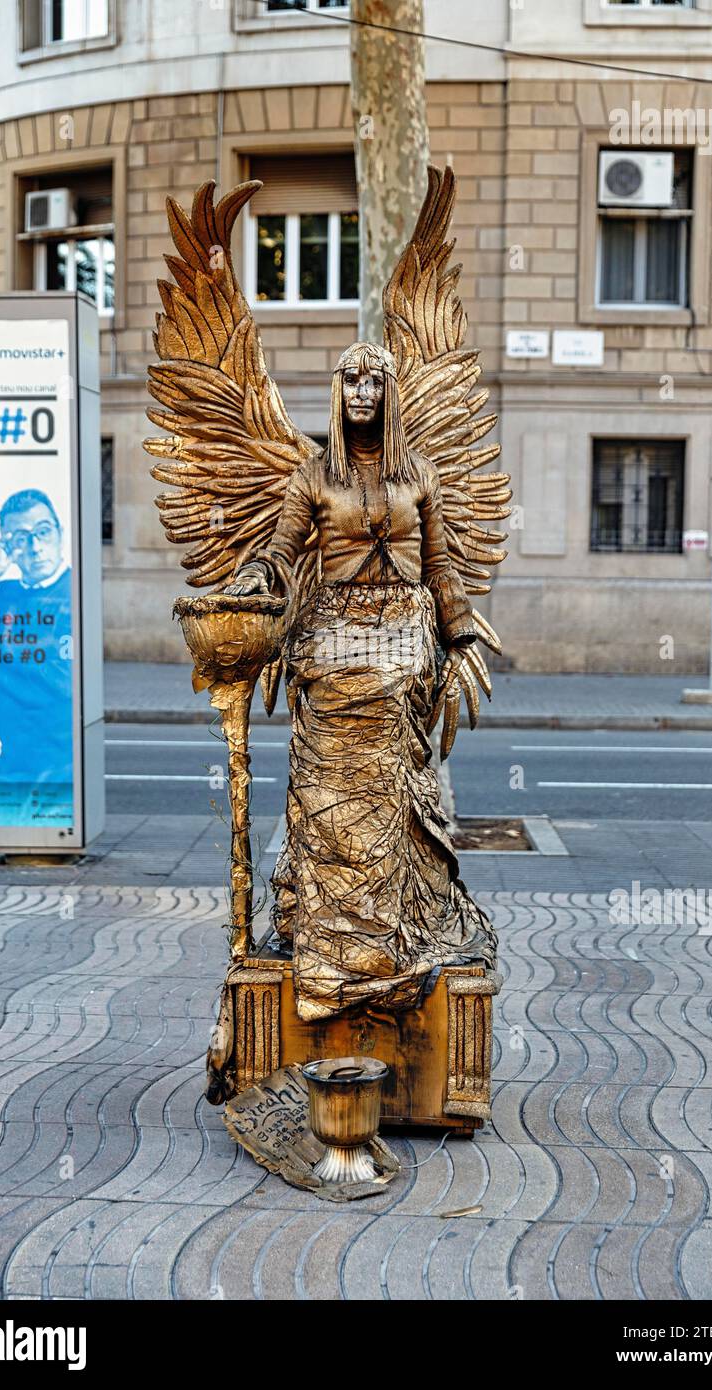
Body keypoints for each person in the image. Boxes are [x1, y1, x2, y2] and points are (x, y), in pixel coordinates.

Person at [225, 342, 497, 1022]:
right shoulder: (314, 476)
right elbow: (284, 549)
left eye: (375, 381)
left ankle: (391, 930)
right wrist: (259, 576)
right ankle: (332, 943)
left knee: (388, 735)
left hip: (403, 627)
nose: (363, 392)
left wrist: (458, 632)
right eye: (351, 380)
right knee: (326, 766)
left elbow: (439, 566)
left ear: (391, 395)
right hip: (333, 627)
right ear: (337, 391)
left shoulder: (421, 475)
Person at [0, 488, 73, 786]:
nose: (34, 546)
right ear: (6, 546)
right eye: (20, 537)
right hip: (13, 765)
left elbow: (62, 685)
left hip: (65, 766)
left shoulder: (75, 592)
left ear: (60, 533)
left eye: (43, 531)